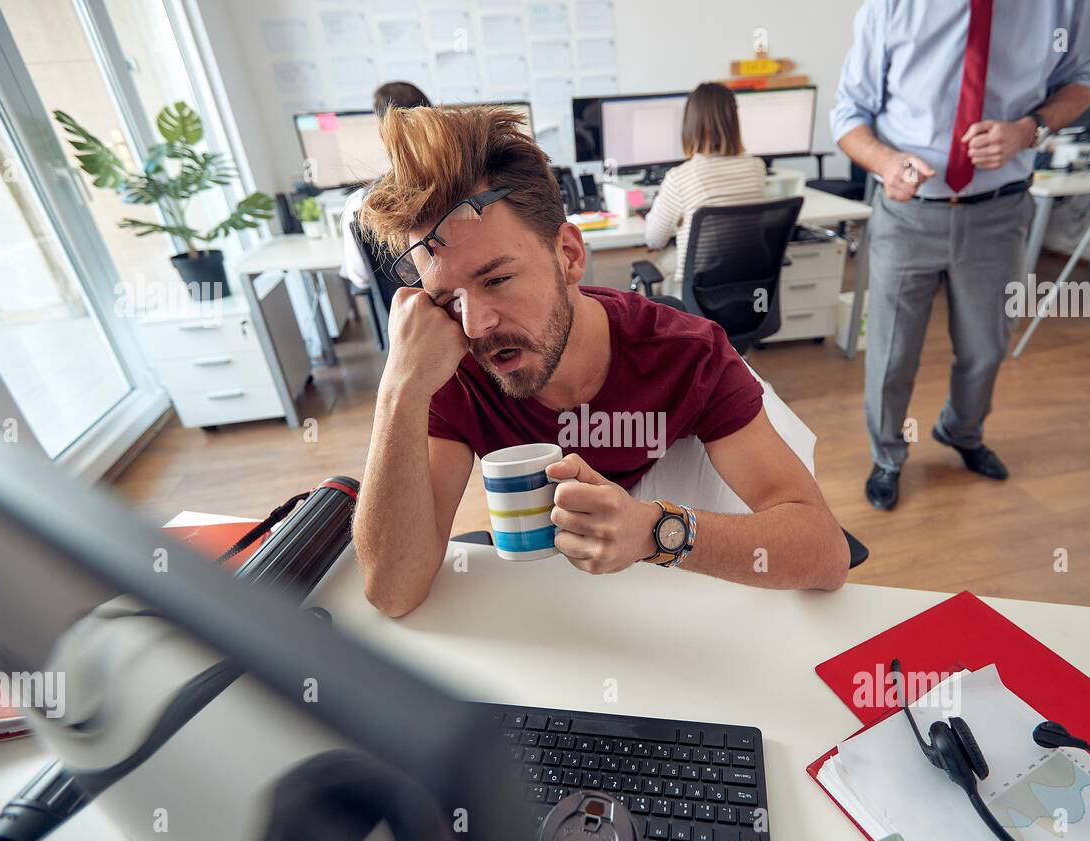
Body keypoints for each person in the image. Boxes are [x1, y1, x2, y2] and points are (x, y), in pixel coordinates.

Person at [353, 107, 850, 619]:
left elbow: (824, 551)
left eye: (497, 280)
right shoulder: (449, 364)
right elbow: (394, 591)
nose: (475, 324)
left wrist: (654, 532)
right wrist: (399, 389)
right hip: (563, 626)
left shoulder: (688, 353)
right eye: (447, 297)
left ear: (568, 254)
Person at [832, 0, 1090, 510]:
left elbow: (1087, 77)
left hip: (999, 214)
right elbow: (849, 115)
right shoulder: (892, 5)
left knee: (985, 348)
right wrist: (887, 161)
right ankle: (888, 456)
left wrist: (1030, 129)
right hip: (908, 213)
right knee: (893, 354)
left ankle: (961, 431)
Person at [643, 82, 767, 295]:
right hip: (747, 287)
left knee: (657, 270)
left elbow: (654, 239)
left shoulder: (679, 177)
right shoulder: (757, 168)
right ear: (734, 122)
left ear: (690, 125)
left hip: (699, 295)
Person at [339, 81, 432, 290]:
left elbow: (360, 277)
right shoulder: (473, 185)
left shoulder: (360, 205)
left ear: (382, 133)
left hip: (404, 318)